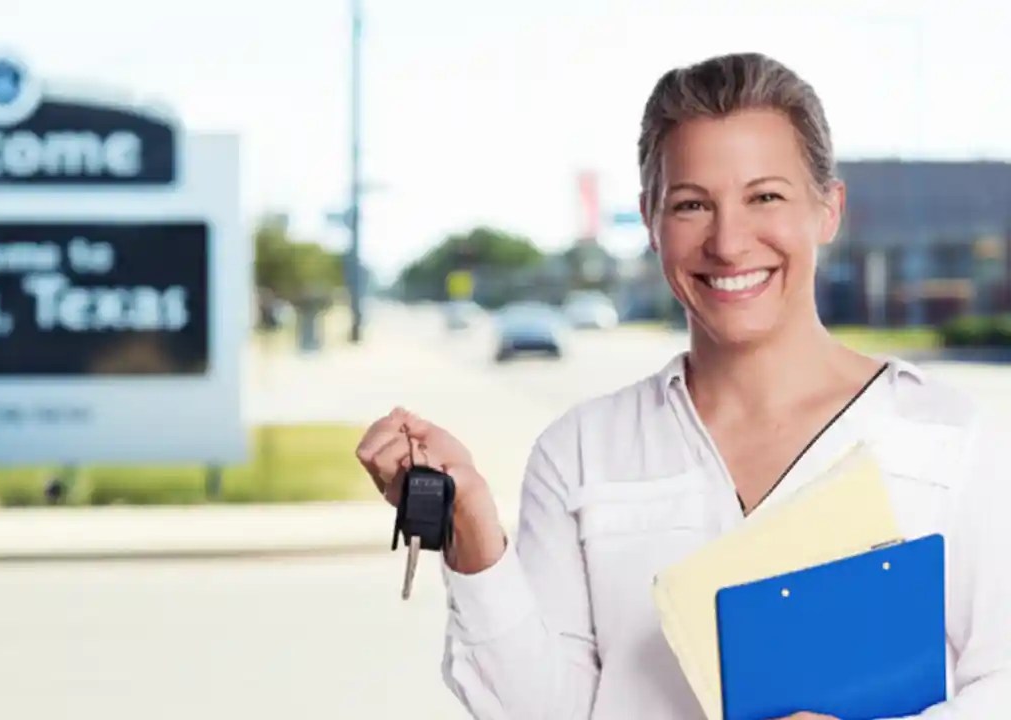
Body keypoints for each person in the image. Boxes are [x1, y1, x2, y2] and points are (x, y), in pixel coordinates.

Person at [355, 52, 1010, 720]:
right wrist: (472, 530)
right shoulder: (581, 453)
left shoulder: (946, 439)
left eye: (766, 196)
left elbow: (1002, 681)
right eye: (692, 204)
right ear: (650, 219)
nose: (728, 243)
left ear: (828, 210)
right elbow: (545, 711)